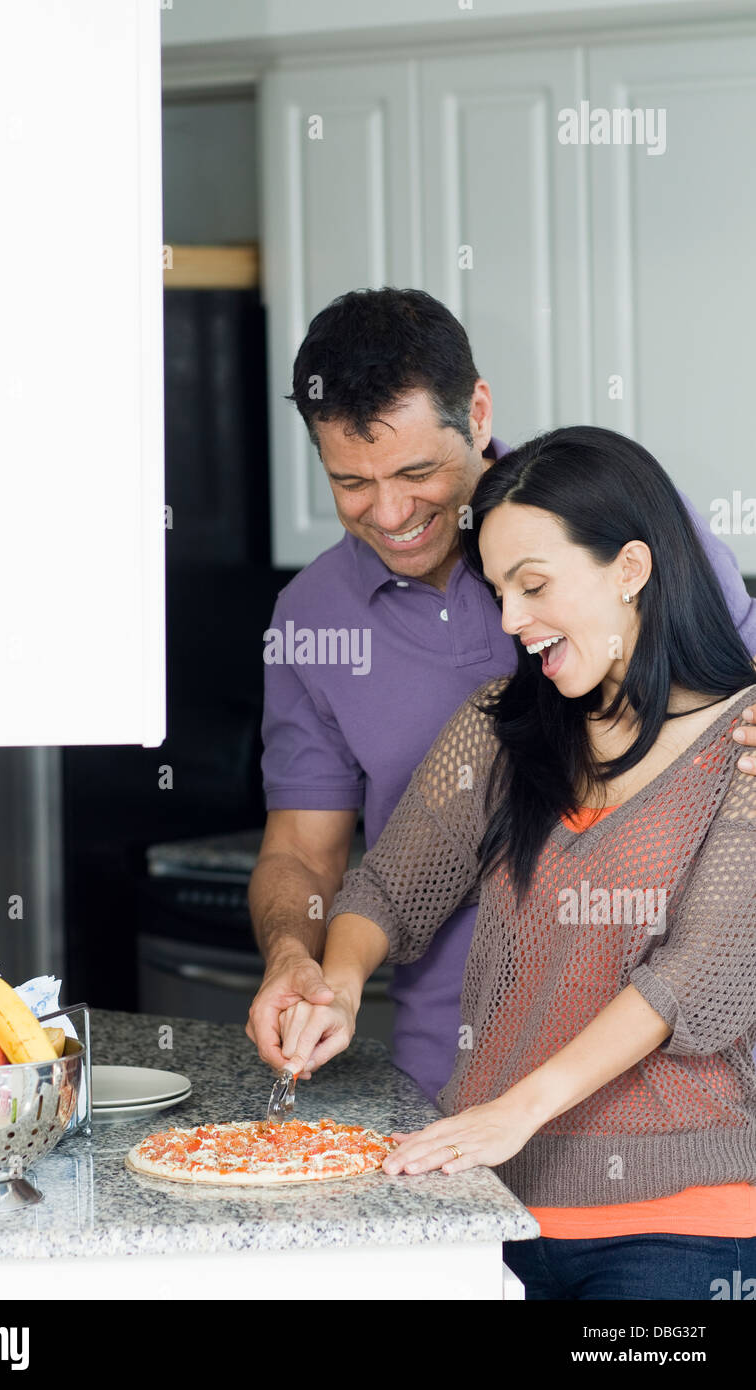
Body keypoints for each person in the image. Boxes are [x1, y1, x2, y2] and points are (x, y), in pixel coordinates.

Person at [276, 424, 756, 1300]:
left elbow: (699, 977)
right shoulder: (504, 727)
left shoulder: (747, 749)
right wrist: (337, 982)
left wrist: (515, 1112)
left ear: (631, 568)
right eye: (497, 591)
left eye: (533, 586)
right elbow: (387, 887)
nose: (510, 622)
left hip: (681, 1236)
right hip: (487, 1206)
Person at [246, 288, 756, 1105]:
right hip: (445, 1082)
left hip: (671, 1100)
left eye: (417, 471)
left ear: (476, 411)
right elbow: (310, 856)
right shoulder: (313, 619)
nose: (390, 511)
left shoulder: (625, 529)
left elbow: (732, 706)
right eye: (351, 482)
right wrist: (298, 964)